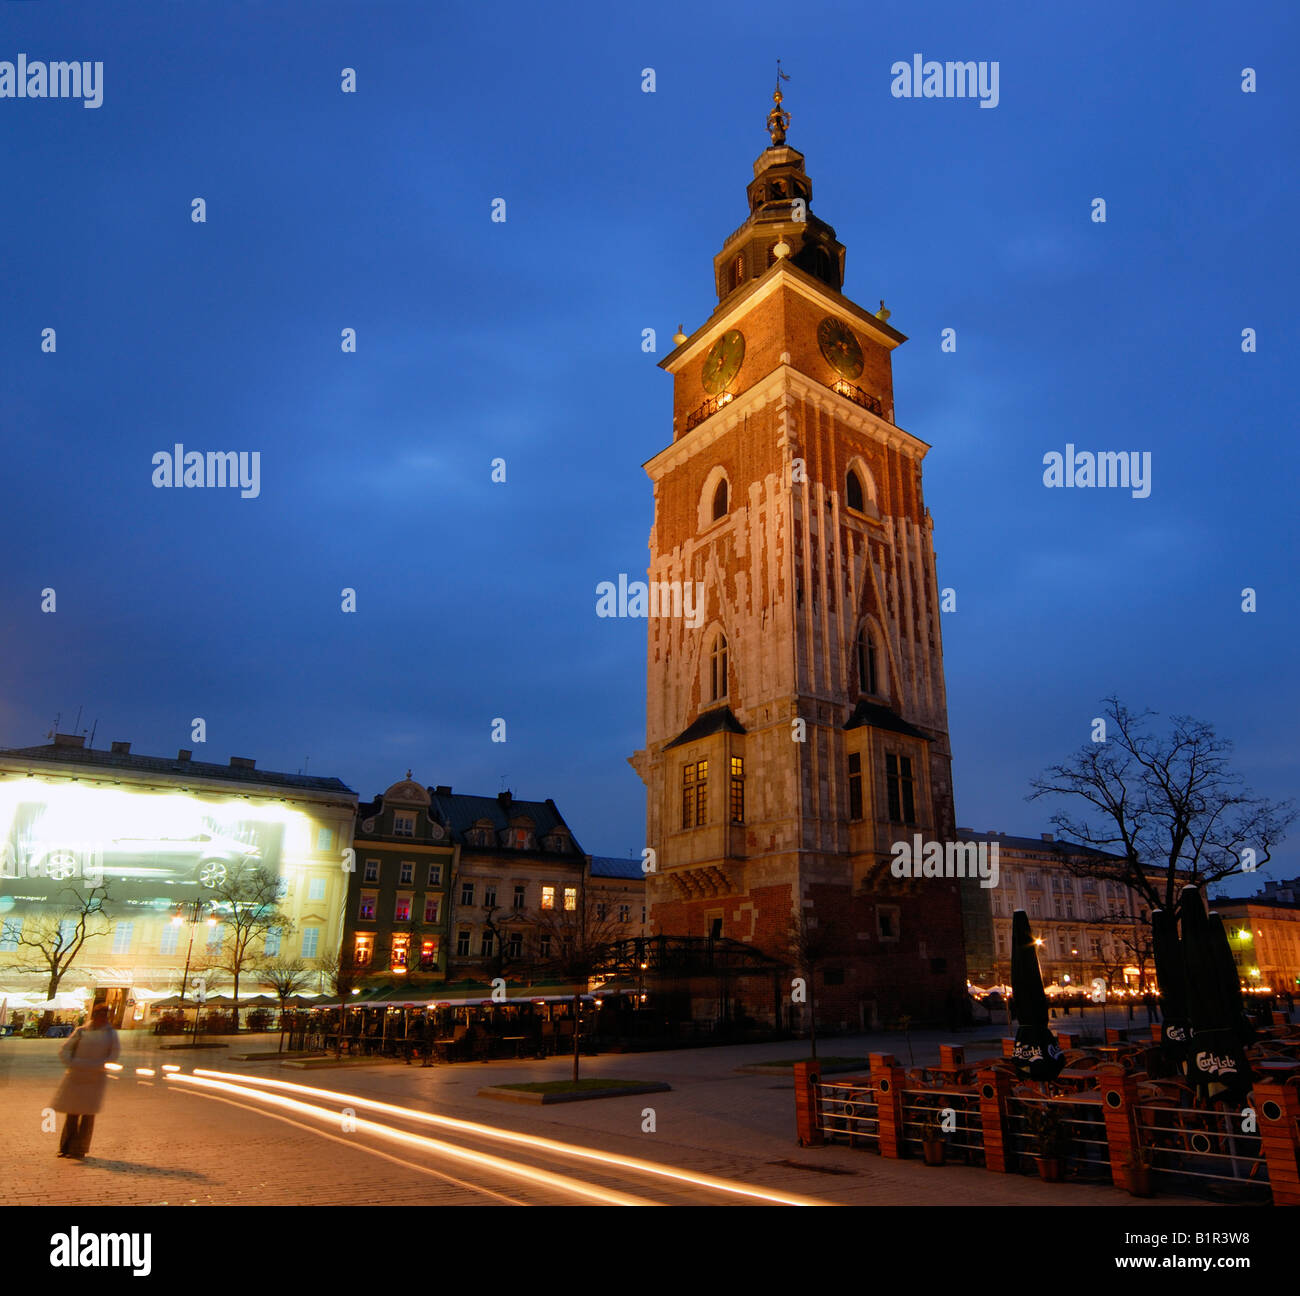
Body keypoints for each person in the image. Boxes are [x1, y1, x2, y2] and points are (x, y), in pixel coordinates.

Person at [50, 1003, 120, 1159]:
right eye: (99, 1015)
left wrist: (99, 1066)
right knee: (72, 1113)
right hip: (76, 1076)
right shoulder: (81, 1031)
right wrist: (73, 1063)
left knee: (87, 1116)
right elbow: (65, 1049)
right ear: (94, 1016)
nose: (101, 1019)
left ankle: (79, 1149)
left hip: (95, 1079)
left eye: (104, 1015)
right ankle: (66, 1147)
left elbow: (113, 1055)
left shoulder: (110, 1034)